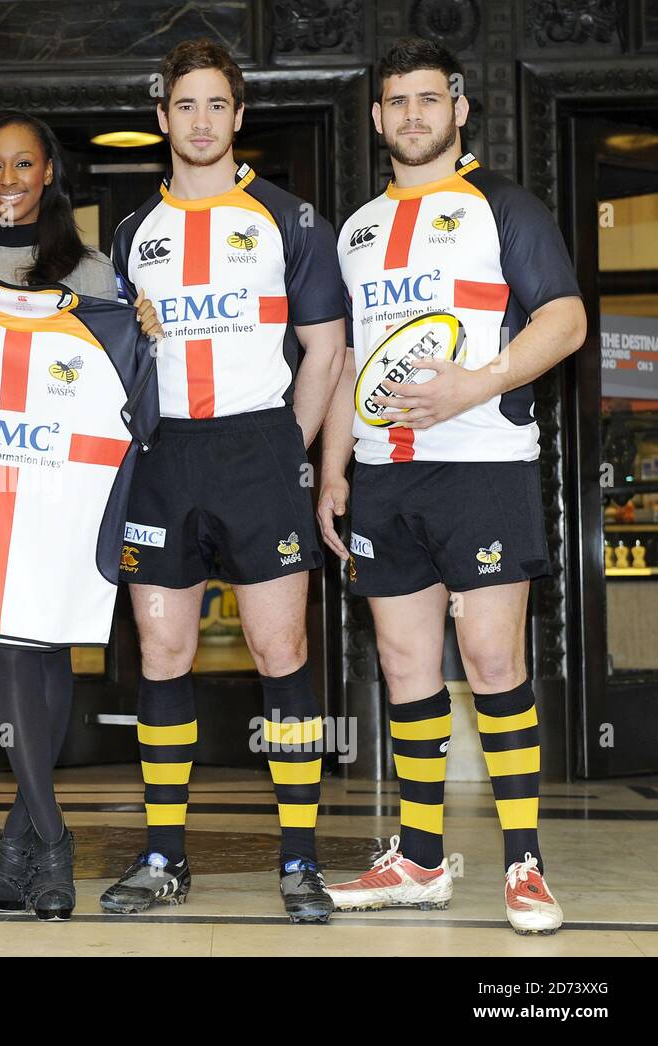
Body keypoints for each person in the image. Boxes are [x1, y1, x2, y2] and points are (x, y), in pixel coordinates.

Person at [318, 37, 586, 935]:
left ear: (459, 108)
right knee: (403, 666)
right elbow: (348, 354)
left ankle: (524, 867)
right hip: (383, 475)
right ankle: (421, 861)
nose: (412, 116)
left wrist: (477, 383)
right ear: (377, 116)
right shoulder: (356, 228)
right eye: (396, 102)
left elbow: (567, 318)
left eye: (428, 99)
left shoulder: (501, 205)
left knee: (494, 663)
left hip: (484, 465)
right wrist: (332, 467)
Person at [102, 38, 347, 922]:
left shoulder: (290, 218)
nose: (200, 121)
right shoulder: (131, 235)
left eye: (217, 106)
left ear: (239, 118)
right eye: (185, 106)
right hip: (164, 462)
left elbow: (328, 350)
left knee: (282, 656)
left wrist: (293, 448)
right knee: (163, 656)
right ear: (161, 117)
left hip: (259, 455)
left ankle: (299, 863)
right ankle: (164, 854)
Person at [0, 111, 146, 920]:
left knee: (44, 653)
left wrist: (140, 332)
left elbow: (124, 396)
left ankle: (29, 846)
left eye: (24, 165)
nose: (8, 180)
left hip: (56, 492)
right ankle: (48, 836)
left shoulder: (92, 273)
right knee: (13, 650)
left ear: (49, 174)